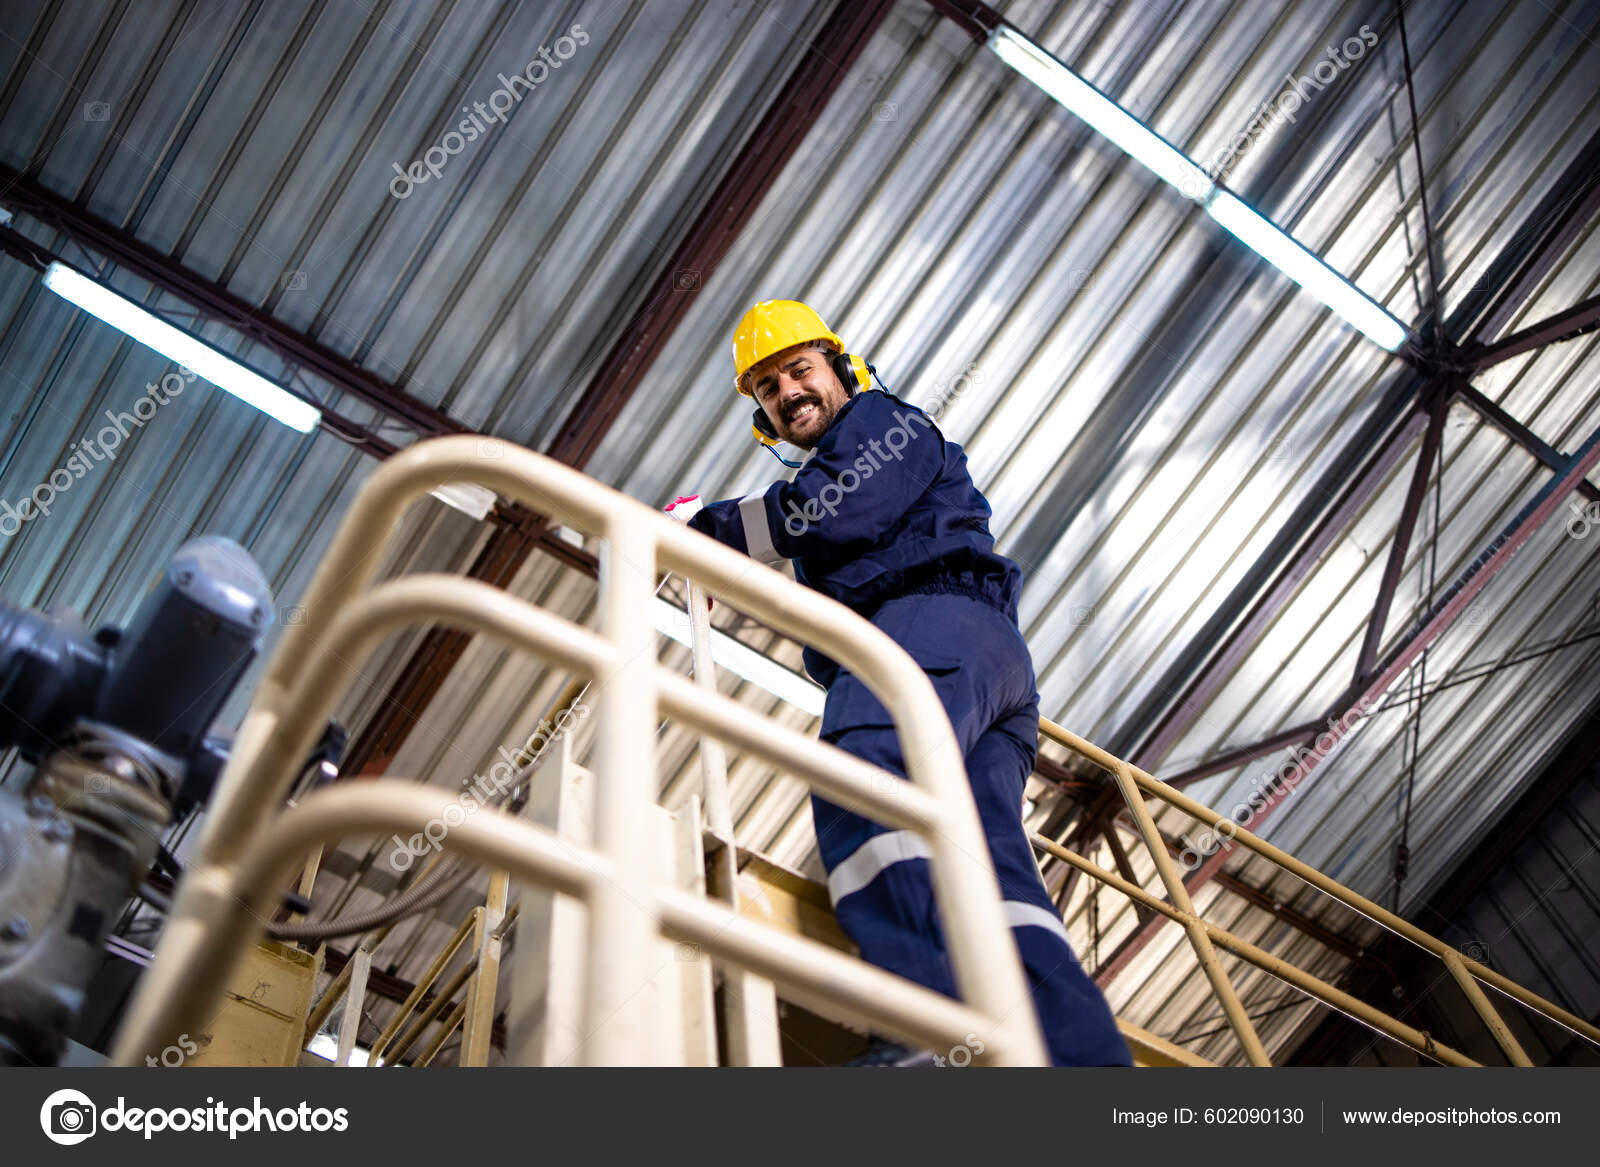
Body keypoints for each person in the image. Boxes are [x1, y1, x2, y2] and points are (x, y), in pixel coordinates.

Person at [666, 300, 1130, 1067]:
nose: (787, 392)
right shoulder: (855, 462)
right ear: (766, 419)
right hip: (979, 664)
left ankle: (925, 1027)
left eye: (799, 369)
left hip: (927, 631)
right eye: (769, 389)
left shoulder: (886, 424)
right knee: (988, 864)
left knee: (862, 779)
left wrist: (704, 531)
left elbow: (827, 511)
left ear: (840, 369)